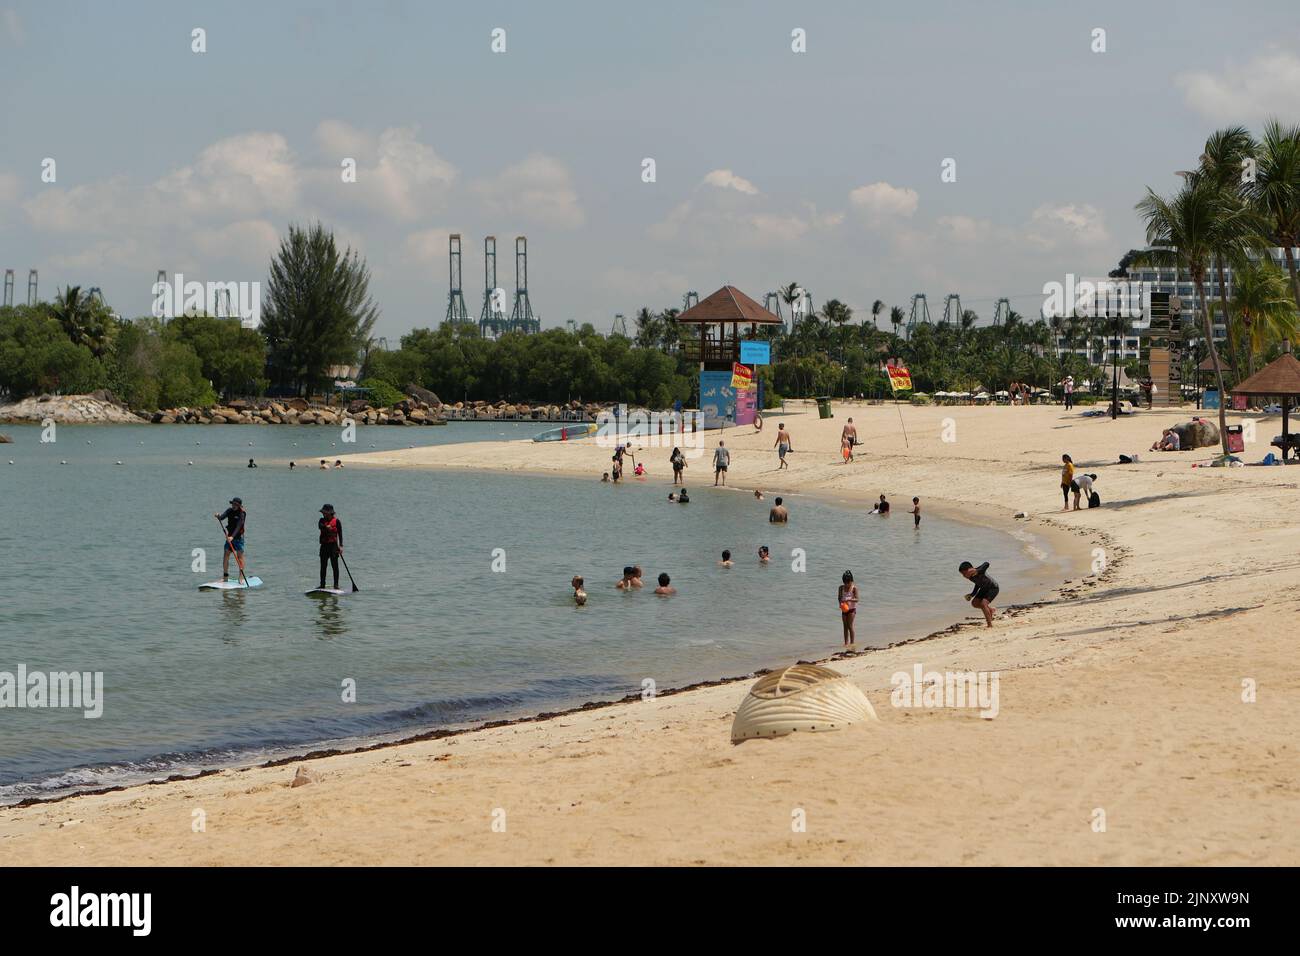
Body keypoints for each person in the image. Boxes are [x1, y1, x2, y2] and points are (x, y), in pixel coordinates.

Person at [214, 497, 248, 582]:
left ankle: (241, 577)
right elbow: (222, 518)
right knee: (226, 555)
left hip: (238, 538)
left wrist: (232, 536)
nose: (234, 506)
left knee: (240, 557)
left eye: (236, 504)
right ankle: (225, 577)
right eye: (233, 504)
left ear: (239, 505)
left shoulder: (242, 513)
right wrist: (218, 516)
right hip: (229, 537)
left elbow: (239, 526)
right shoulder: (229, 510)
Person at [959, 560, 998, 628]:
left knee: (983, 604)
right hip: (984, 589)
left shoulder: (979, 571)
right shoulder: (970, 577)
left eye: (964, 573)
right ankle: (990, 610)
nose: (964, 576)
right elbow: (978, 584)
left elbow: (986, 563)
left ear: (969, 570)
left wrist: (977, 570)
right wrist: (972, 594)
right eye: (962, 574)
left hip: (993, 588)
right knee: (974, 603)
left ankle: (989, 624)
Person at [317, 504, 343, 590]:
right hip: (324, 546)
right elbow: (320, 526)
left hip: (333, 546)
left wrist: (341, 546)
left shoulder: (337, 521)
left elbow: (340, 534)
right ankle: (322, 585)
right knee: (323, 566)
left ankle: (336, 585)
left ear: (330, 513)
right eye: (323, 512)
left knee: (335, 566)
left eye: (325, 512)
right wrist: (326, 526)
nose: (323, 514)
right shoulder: (321, 520)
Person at [838, 571, 859, 647]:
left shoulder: (854, 588)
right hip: (844, 609)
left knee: (850, 625)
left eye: (848, 583)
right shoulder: (841, 588)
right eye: (845, 583)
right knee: (845, 626)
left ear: (851, 581)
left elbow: (857, 599)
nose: (846, 584)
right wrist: (840, 604)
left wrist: (849, 600)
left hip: (852, 609)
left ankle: (852, 643)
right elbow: (839, 598)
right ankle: (846, 643)